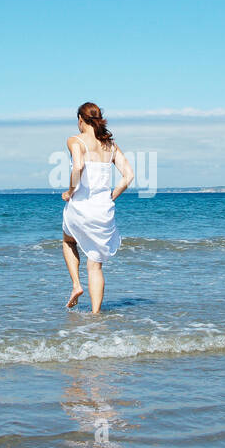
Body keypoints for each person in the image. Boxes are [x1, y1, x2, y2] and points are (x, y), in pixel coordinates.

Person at [61, 102, 134, 312]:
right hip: (103, 211)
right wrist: (112, 196)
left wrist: (70, 191)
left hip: (81, 208)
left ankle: (76, 284)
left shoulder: (75, 141)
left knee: (68, 241)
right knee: (95, 264)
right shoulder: (110, 145)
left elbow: (78, 166)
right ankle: (95, 315)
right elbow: (129, 175)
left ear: (81, 120)